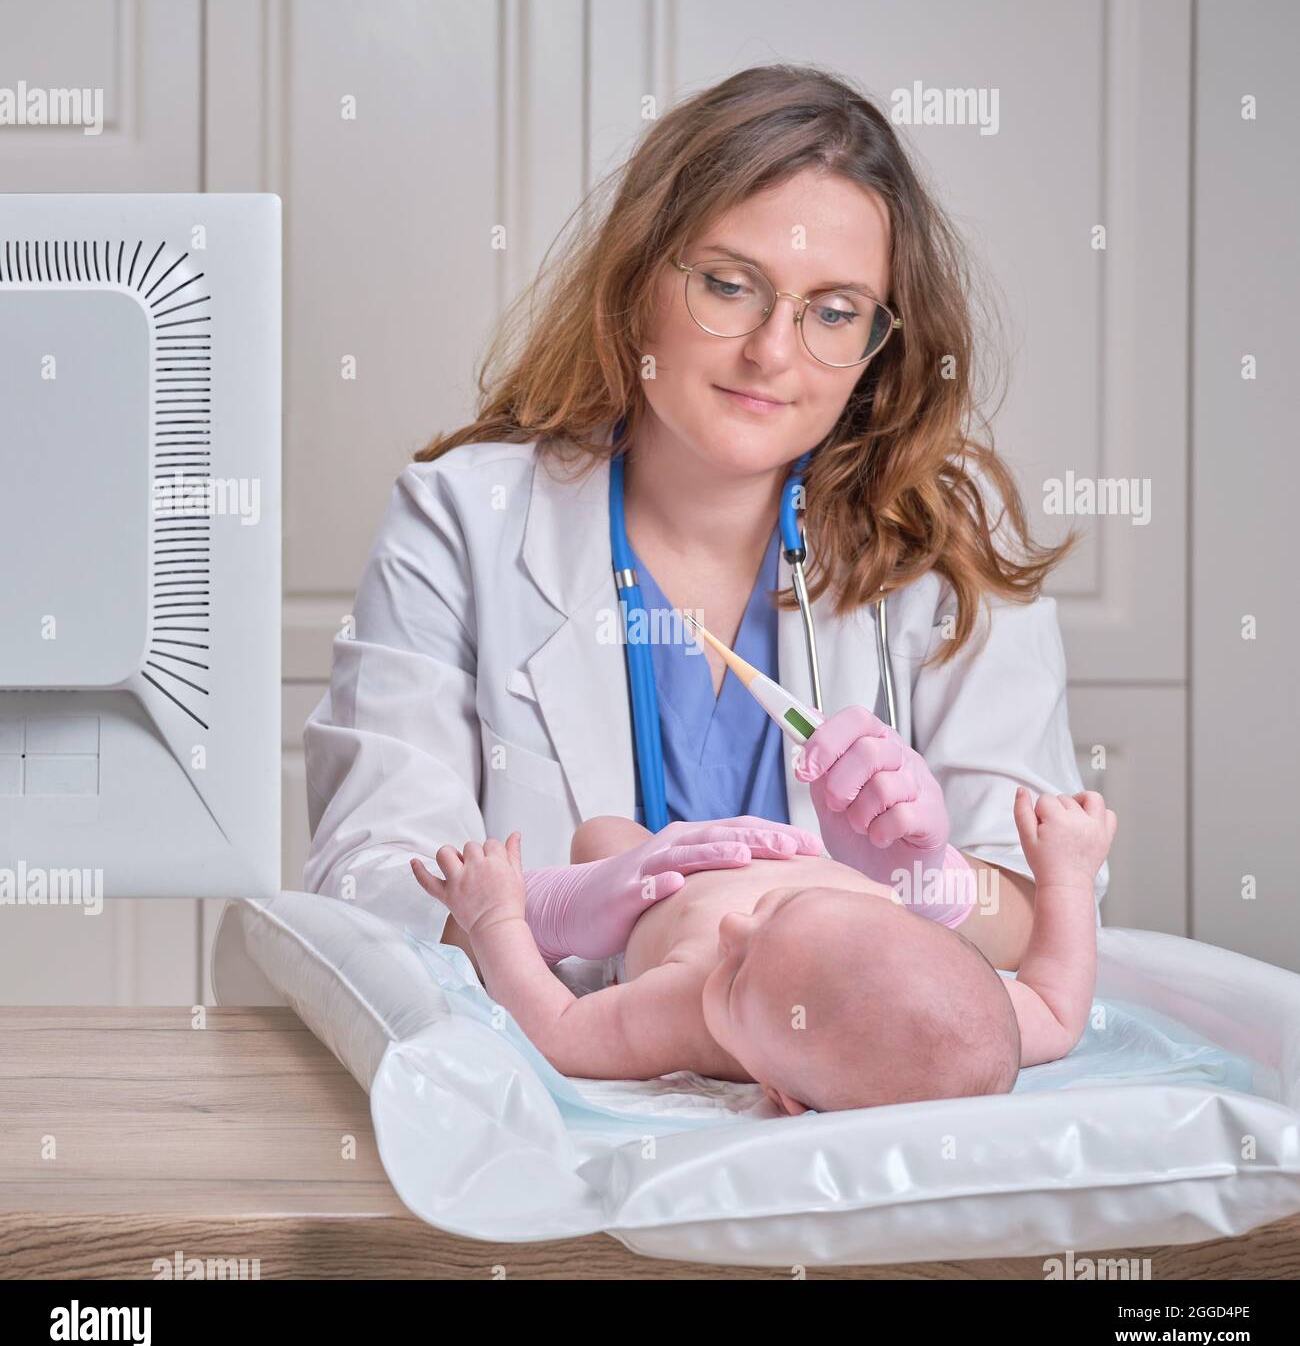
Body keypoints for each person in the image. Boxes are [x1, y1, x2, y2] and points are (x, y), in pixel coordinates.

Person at [303, 63, 1109, 976]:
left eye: (835, 311)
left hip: (841, 1107)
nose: (773, 352)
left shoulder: (949, 555)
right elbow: (364, 883)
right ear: (641, 279)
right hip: (546, 1095)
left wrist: (932, 878)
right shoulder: (464, 519)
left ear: (879, 347)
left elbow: (1047, 923)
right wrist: (565, 907)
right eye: (730, 285)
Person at [407, 788, 1117, 1115]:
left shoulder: (689, 1011)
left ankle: (604, 864)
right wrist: (1066, 875)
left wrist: (502, 917)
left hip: (648, 888)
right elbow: (1058, 1002)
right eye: (783, 911)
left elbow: (560, 1032)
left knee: (601, 835)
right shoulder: (971, 1020)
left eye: (737, 979)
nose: (731, 934)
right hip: (752, 840)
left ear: (781, 1094)